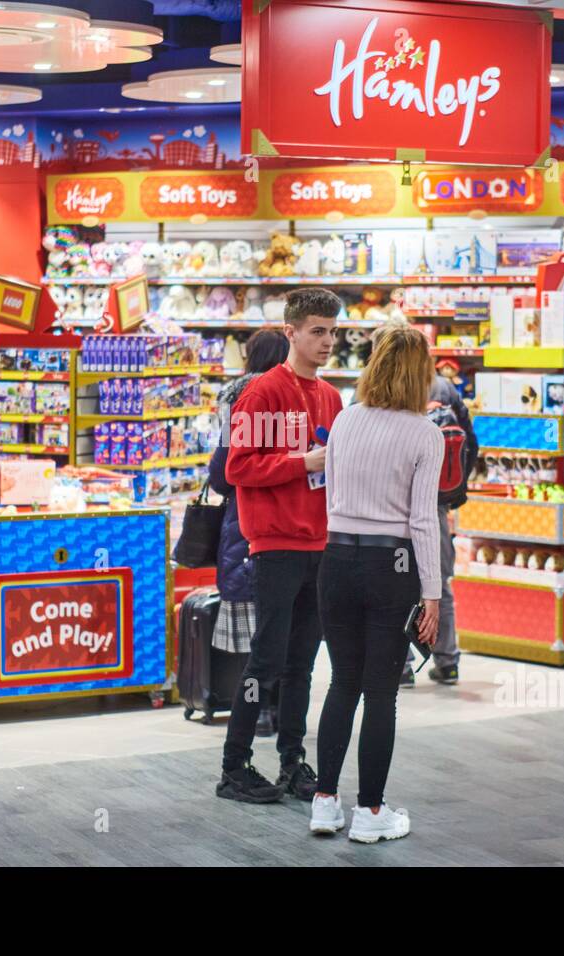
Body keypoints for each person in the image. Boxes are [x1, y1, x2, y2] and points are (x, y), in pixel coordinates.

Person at [310, 324, 443, 843]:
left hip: (336, 558)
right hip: (392, 566)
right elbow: (423, 521)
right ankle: (370, 812)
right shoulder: (424, 433)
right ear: (420, 373)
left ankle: (325, 801)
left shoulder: (345, 421)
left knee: (342, 681)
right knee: (380, 692)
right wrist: (432, 593)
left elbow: (330, 495)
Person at [216, 288, 344, 804]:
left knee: (303, 662)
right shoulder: (262, 393)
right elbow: (236, 468)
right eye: (318, 331)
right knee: (265, 660)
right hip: (274, 545)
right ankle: (234, 766)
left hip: (320, 543)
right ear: (290, 332)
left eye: (333, 331)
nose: (328, 341)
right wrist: (303, 463)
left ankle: (293, 760)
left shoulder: (333, 398)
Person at [208, 329, 290, 738]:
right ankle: (281, 710)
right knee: (285, 627)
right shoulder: (301, 399)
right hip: (293, 528)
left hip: (245, 527)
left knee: (254, 641)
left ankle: (256, 712)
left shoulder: (236, 400)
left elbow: (222, 477)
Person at [401, 372, 477, 687]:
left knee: (400, 584)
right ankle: (448, 663)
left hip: (397, 501)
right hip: (436, 501)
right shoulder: (444, 387)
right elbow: (470, 442)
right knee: (440, 581)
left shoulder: (376, 383)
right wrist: (453, 493)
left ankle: (401, 665)